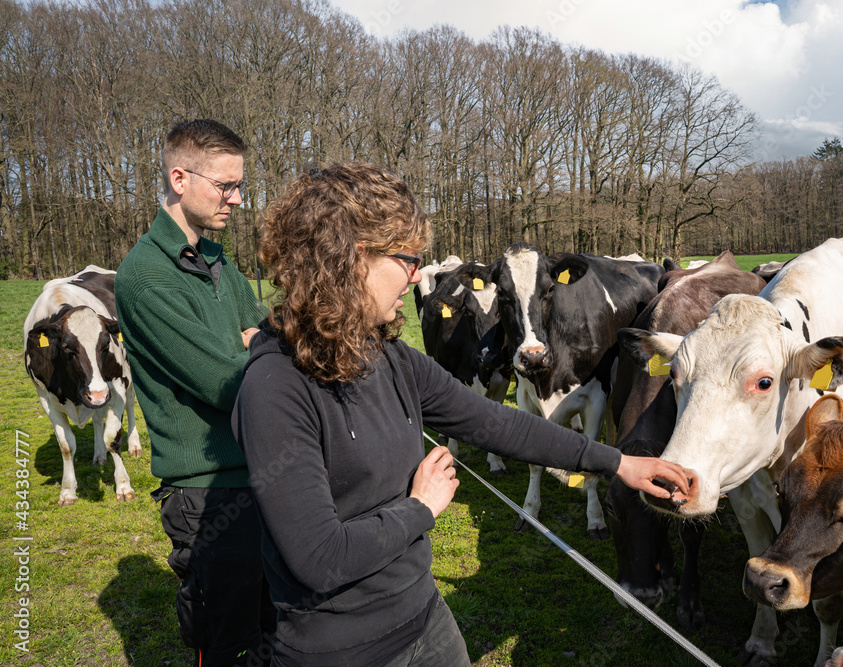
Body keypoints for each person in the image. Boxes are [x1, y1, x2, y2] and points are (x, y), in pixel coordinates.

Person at [232, 162, 692, 667]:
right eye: (407, 258)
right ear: (351, 258)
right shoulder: (275, 389)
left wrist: (617, 463)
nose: (417, 274)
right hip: (341, 651)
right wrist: (419, 509)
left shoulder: (389, 357)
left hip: (427, 623)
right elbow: (319, 558)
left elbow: (496, 423)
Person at [115, 119, 276, 666]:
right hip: (207, 495)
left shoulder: (217, 259)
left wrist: (252, 342)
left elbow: (265, 342)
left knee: (277, 631)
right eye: (225, 186)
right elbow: (227, 380)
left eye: (240, 186)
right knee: (232, 648)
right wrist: (248, 348)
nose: (236, 199)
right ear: (179, 177)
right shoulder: (144, 276)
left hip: (261, 474)